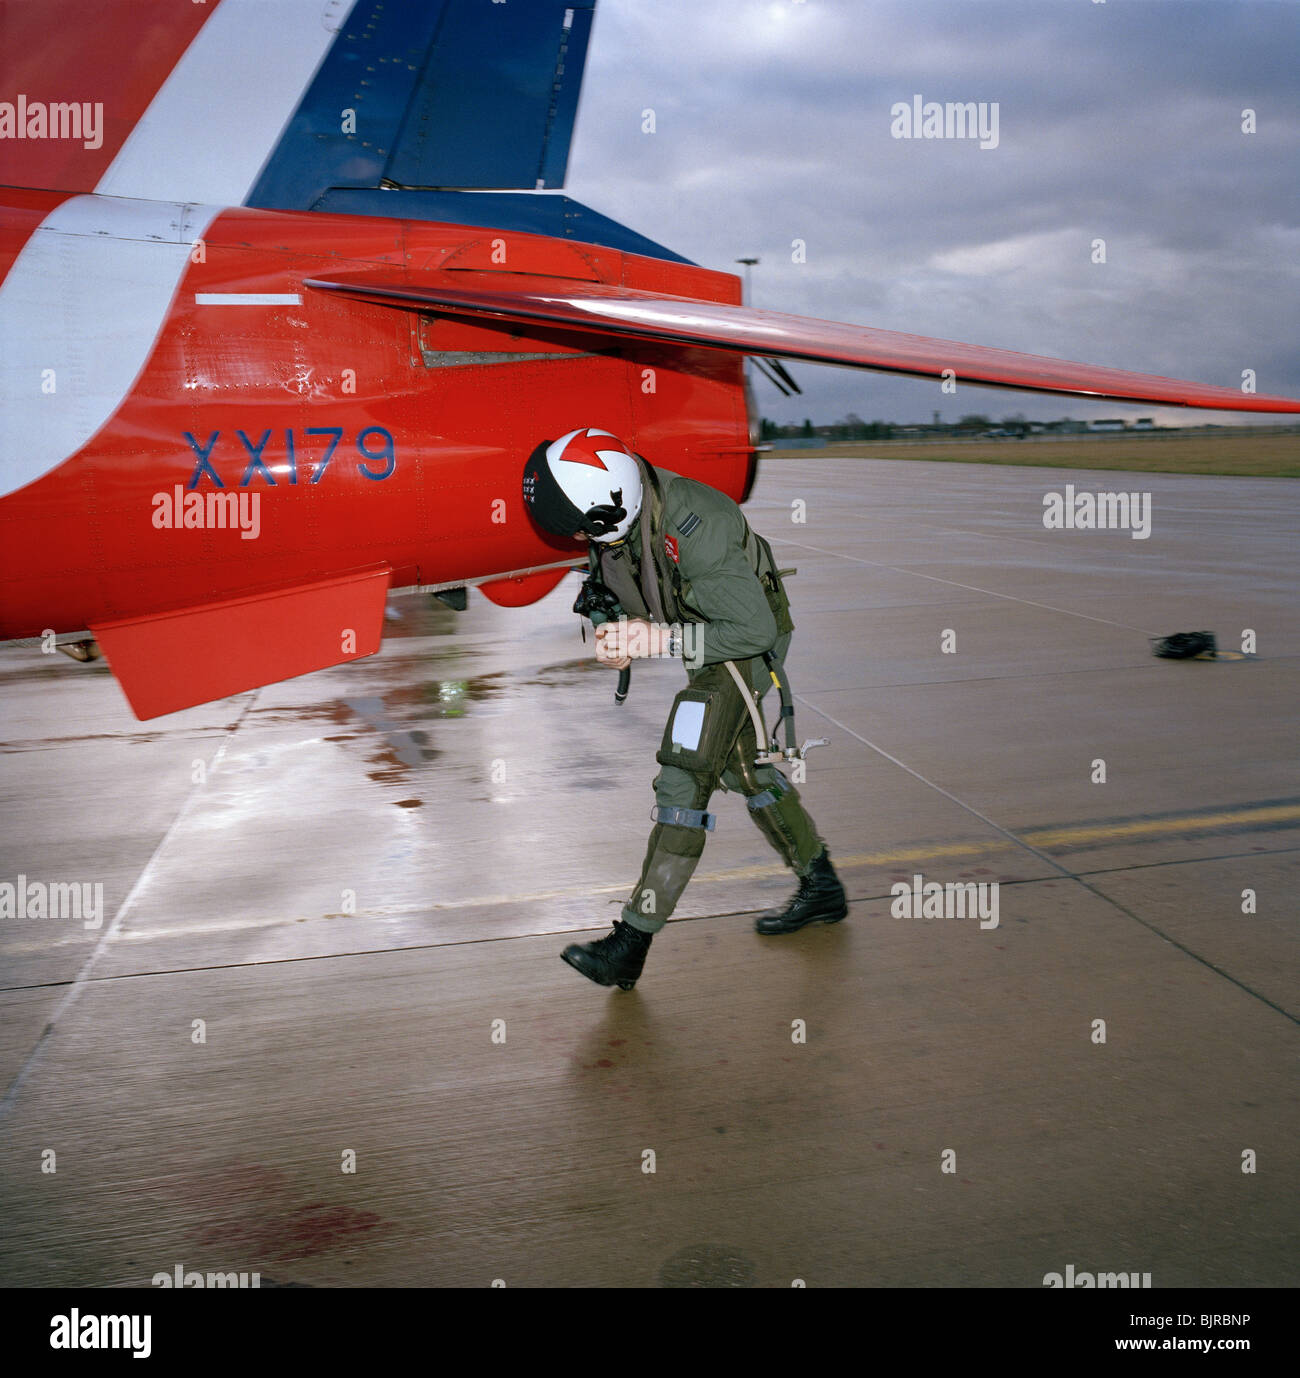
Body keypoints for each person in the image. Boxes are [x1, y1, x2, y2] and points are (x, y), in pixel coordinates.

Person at [522, 427, 847, 990]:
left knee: (685, 769)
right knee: (742, 768)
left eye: (580, 528)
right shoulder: (619, 515)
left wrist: (659, 641)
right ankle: (821, 884)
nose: (578, 537)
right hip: (704, 637)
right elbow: (606, 589)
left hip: (747, 642)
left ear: (609, 509)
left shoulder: (698, 523)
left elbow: (752, 627)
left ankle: (631, 942)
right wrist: (609, 636)